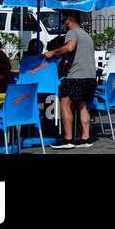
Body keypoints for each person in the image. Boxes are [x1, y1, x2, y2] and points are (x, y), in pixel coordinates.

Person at [42, 12, 96, 149]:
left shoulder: (72, 33)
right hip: (90, 76)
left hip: (76, 76)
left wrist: (52, 52)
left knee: (64, 104)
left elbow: (69, 47)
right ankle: (86, 138)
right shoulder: (86, 35)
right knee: (82, 106)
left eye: (63, 21)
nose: (63, 24)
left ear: (68, 21)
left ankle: (68, 139)